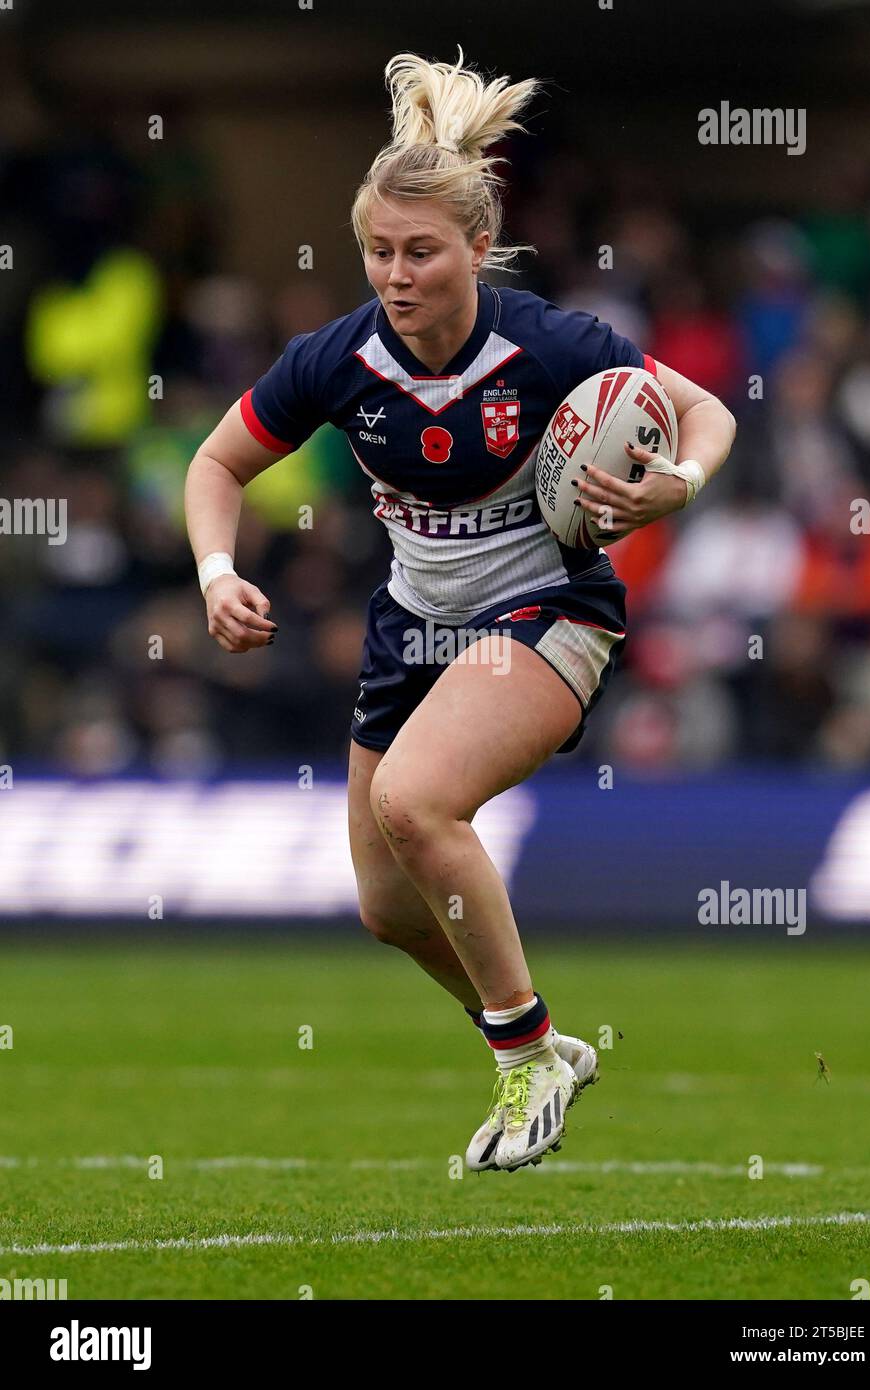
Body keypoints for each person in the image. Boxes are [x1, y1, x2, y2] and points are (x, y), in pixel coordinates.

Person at [184, 48, 736, 1172]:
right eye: (378, 251)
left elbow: (708, 412)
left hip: (548, 613)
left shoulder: (553, 346)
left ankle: (526, 1057)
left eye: (421, 251)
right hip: (411, 628)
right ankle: (539, 1037)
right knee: (388, 908)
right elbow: (214, 464)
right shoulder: (336, 360)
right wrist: (213, 570)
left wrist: (675, 483)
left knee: (416, 798)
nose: (395, 273)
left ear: (479, 248)